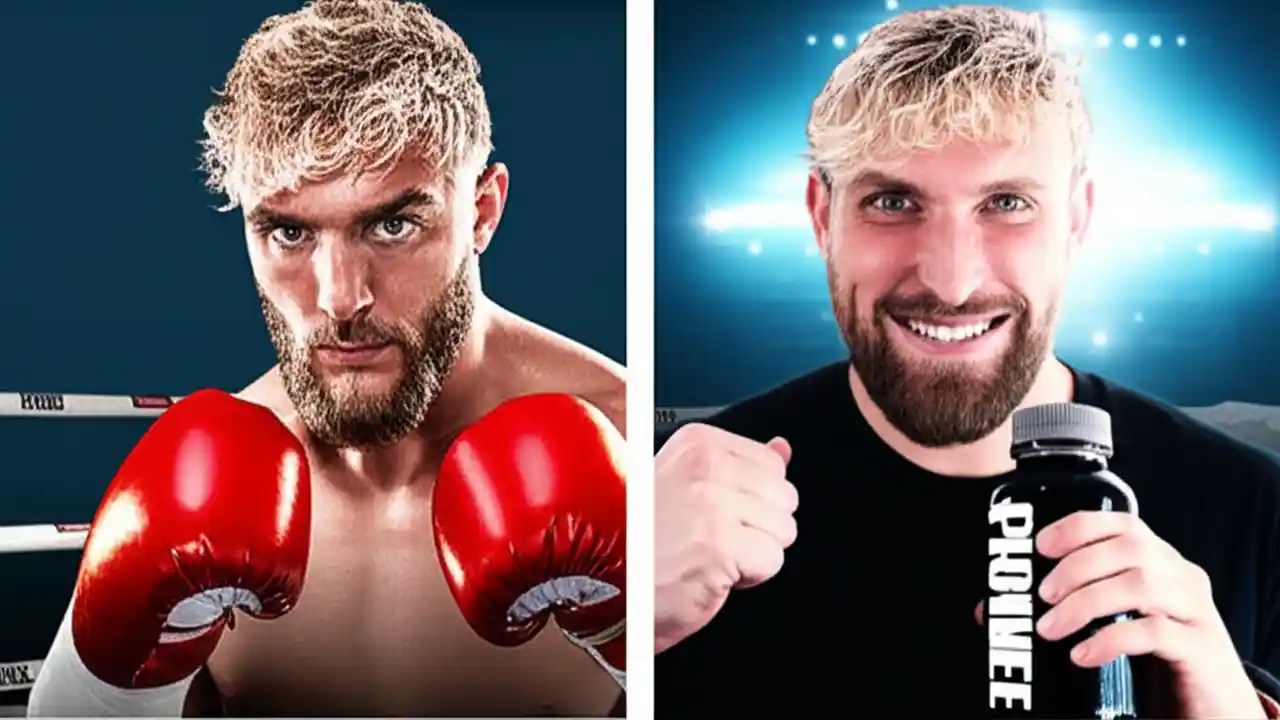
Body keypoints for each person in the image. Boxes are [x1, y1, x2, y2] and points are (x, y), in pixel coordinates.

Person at [653, 6, 1280, 717]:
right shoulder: (664, 506)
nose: (951, 283)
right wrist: (627, 626)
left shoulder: (1253, 513)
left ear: (1075, 219)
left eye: (1007, 203)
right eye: (892, 201)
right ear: (822, 216)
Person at [26, 0, 626, 716]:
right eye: (288, 233)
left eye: (393, 224)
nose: (341, 297)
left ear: (483, 212)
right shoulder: (193, 488)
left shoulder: (625, 440)